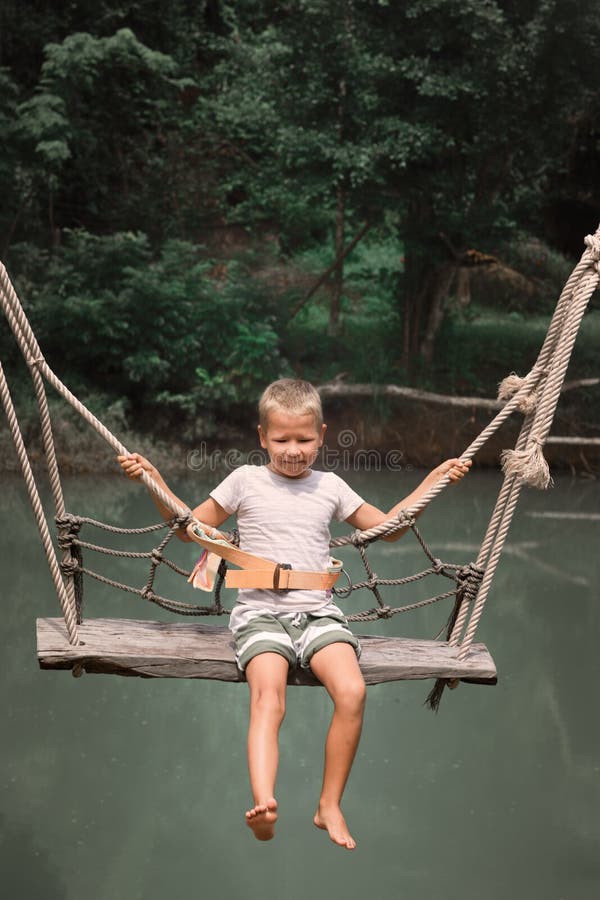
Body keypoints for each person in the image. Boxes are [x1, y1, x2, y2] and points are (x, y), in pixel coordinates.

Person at [118, 378, 470, 850]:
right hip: (259, 615)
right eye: (281, 440)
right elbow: (189, 530)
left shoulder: (331, 487)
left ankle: (329, 805)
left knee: (352, 691)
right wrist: (154, 482)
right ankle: (264, 804)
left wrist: (434, 482)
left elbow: (388, 530)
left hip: (319, 615)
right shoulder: (244, 480)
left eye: (304, 440)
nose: (292, 450)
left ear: (322, 436)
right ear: (262, 437)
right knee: (269, 697)